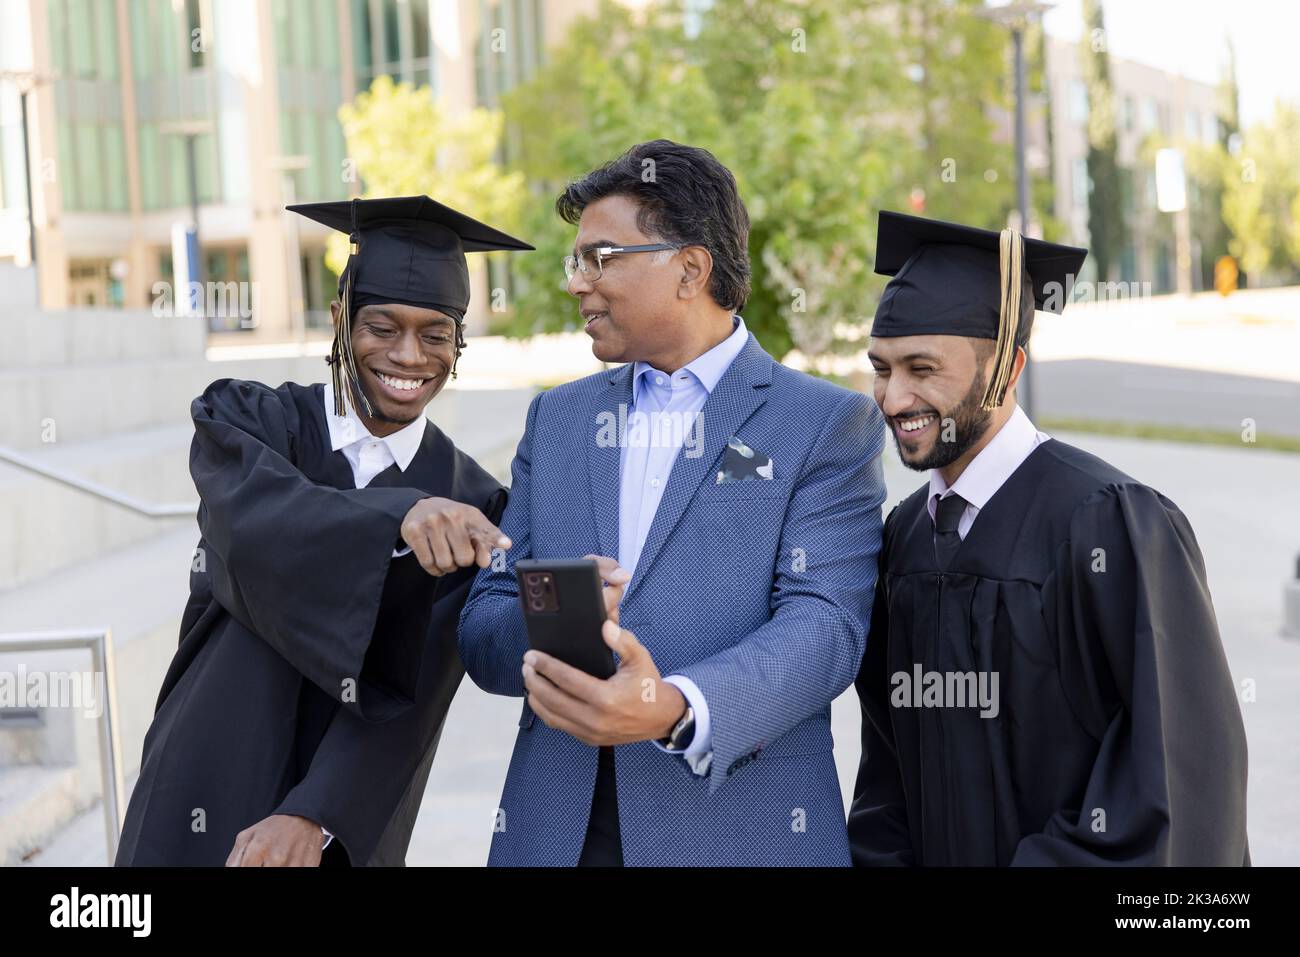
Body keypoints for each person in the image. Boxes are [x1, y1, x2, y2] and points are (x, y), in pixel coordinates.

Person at [459, 141, 887, 866]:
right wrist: (558, 618)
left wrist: (675, 706)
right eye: (576, 262)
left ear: (690, 269)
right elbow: (483, 625)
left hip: (737, 831)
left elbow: (826, 627)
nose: (577, 284)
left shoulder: (824, 423)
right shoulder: (556, 420)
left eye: (600, 258)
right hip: (559, 834)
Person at [116, 196, 532, 866]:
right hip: (205, 768)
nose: (408, 356)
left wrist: (315, 812)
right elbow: (253, 530)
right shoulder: (252, 424)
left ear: (460, 343)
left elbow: (418, 691)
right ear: (339, 320)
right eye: (382, 326)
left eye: (435, 334)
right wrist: (395, 518)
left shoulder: (471, 500)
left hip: (340, 822)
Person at [849, 210, 1249, 866]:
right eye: (882, 368)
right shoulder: (906, 541)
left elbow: (1176, 780)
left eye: (923, 368)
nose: (893, 398)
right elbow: (888, 772)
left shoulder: (1113, 524)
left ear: (1008, 367)